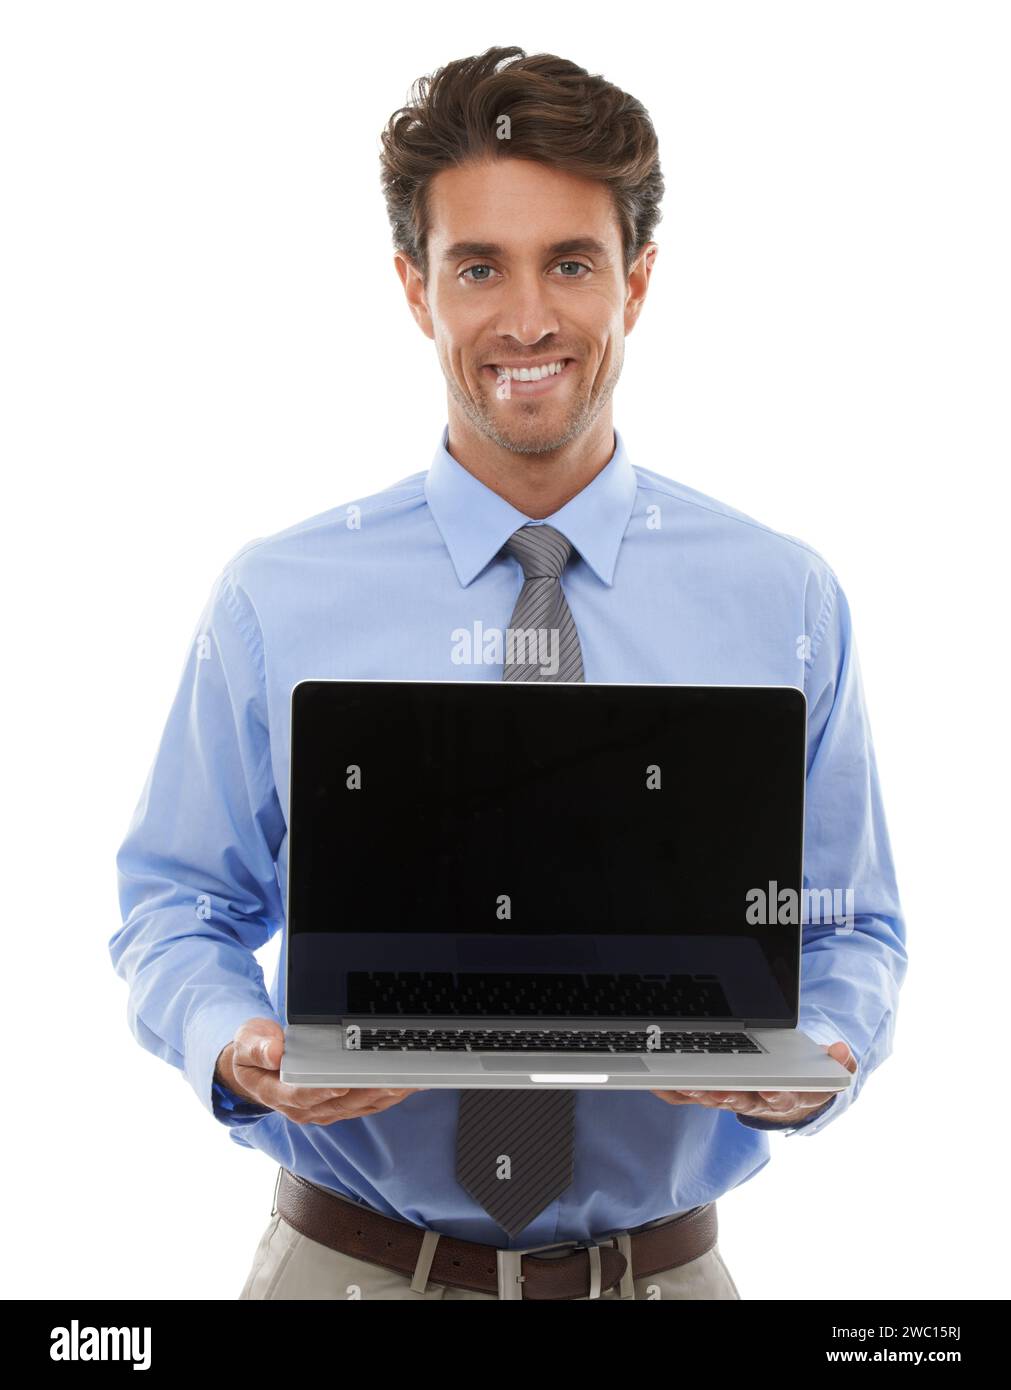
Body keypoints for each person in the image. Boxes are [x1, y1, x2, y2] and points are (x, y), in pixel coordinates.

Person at [110, 45, 906, 1301]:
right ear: (416, 290)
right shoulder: (276, 595)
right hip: (345, 1270)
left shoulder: (783, 598)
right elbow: (175, 904)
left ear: (636, 284)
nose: (527, 318)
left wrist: (822, 1050)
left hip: (665, 1277)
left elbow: (852, 923)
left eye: (571, 264)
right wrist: (239, 1043)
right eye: (478, 265)